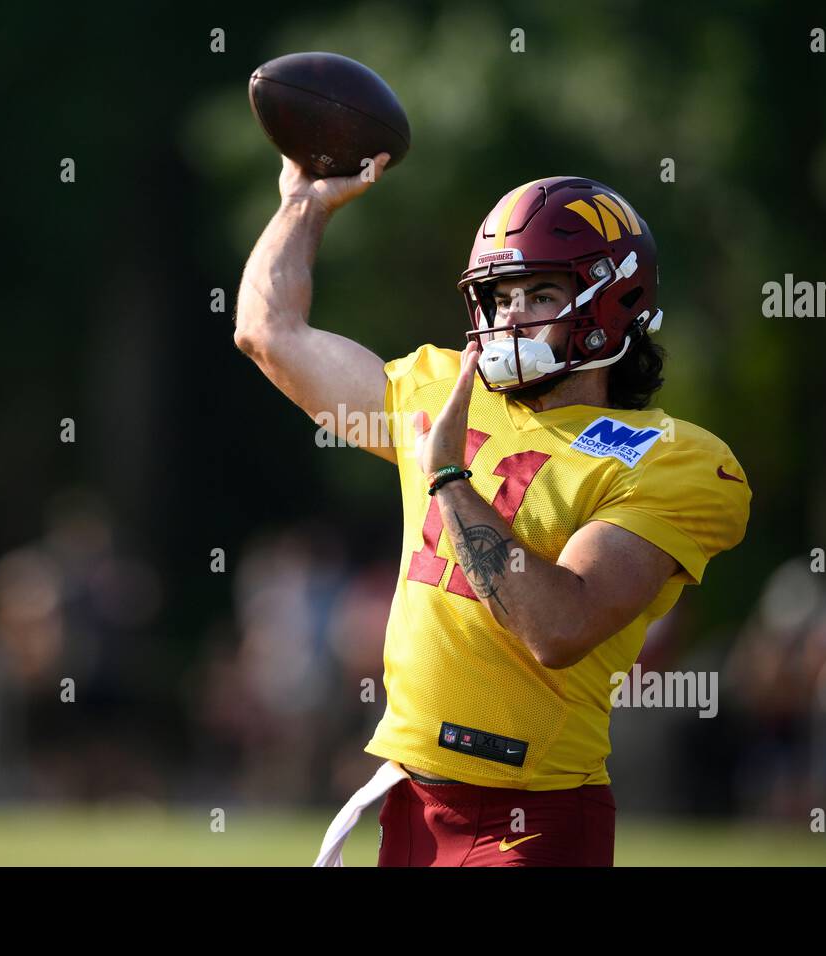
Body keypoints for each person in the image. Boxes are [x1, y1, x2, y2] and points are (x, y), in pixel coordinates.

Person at [234, 154, 751, 866]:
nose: (510, 316)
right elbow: (269, 333)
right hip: (412, 803)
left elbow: (558, 627)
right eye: (499, 295)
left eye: (539, 294)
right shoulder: (442, 389)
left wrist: (449, 475)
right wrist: (305, 203)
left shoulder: (669, 458)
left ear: (610, 305)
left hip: (533, 816)